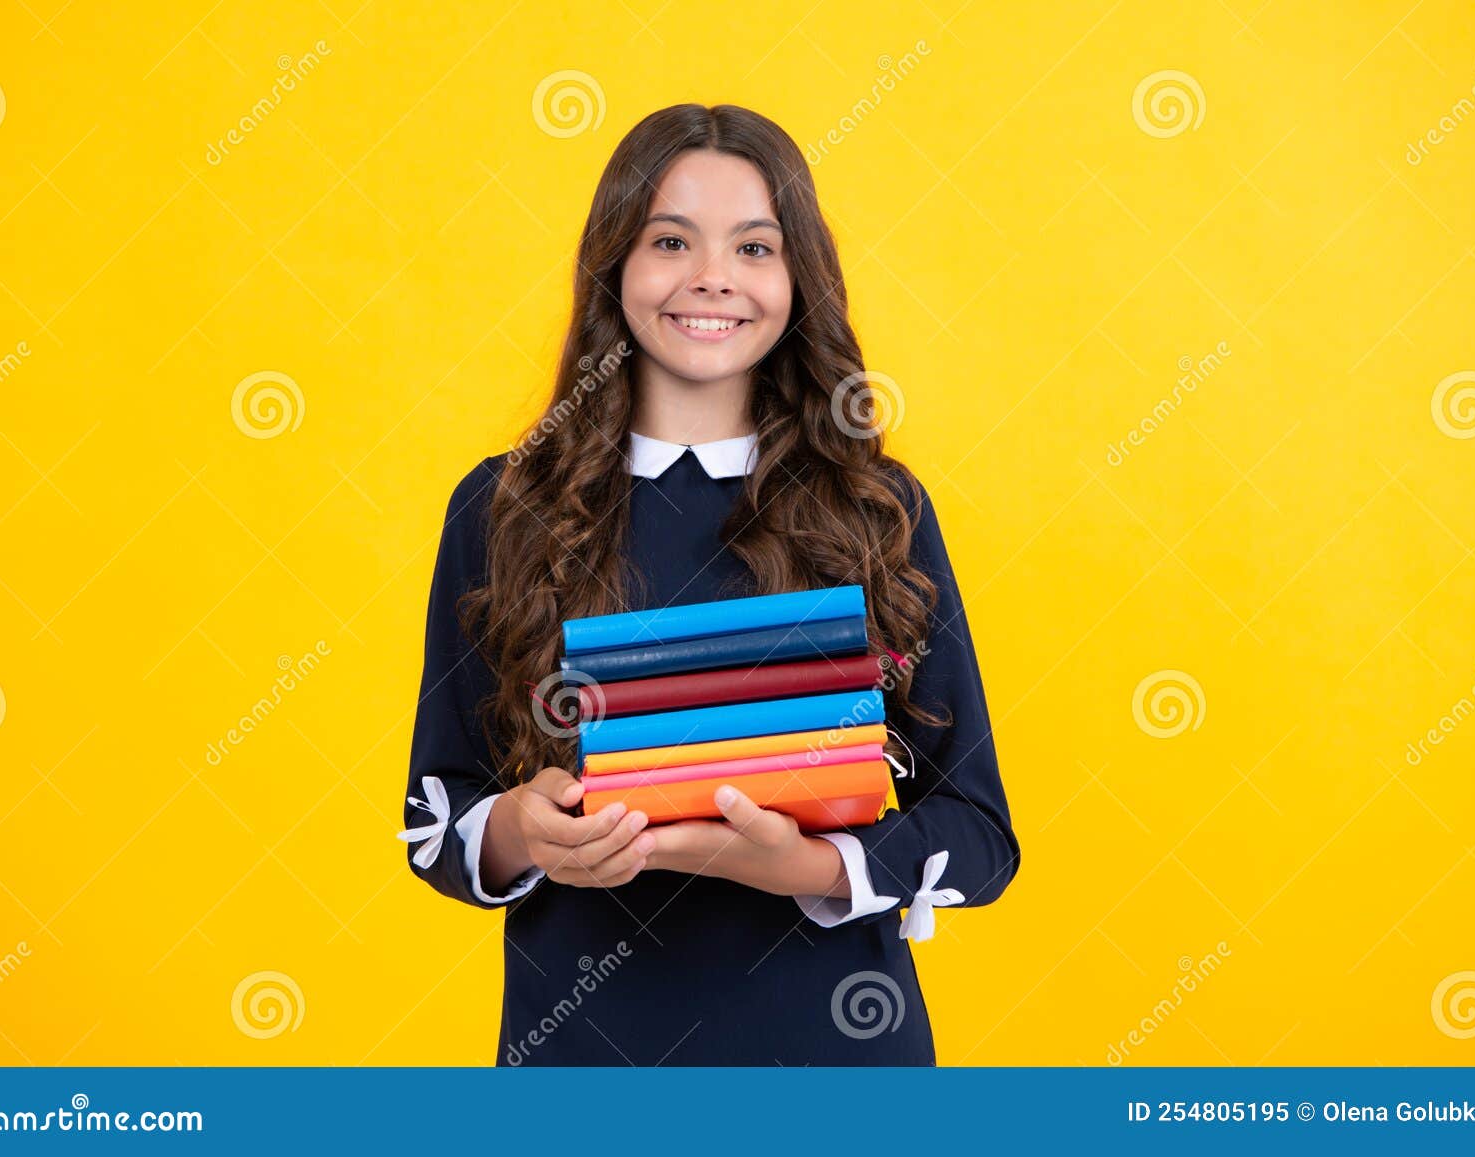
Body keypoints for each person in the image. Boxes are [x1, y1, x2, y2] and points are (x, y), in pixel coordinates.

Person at [400, 103, 1021, 1065]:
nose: (712, 278)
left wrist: (808, 867)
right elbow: (436, 821)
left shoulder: (877, 507)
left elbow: (980, 836)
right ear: (615, 266)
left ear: (797, 277)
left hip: (838, 1062)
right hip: (584, 1061)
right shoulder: (501, 506)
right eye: (670, 240)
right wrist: (521, 832)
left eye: (755, 247)